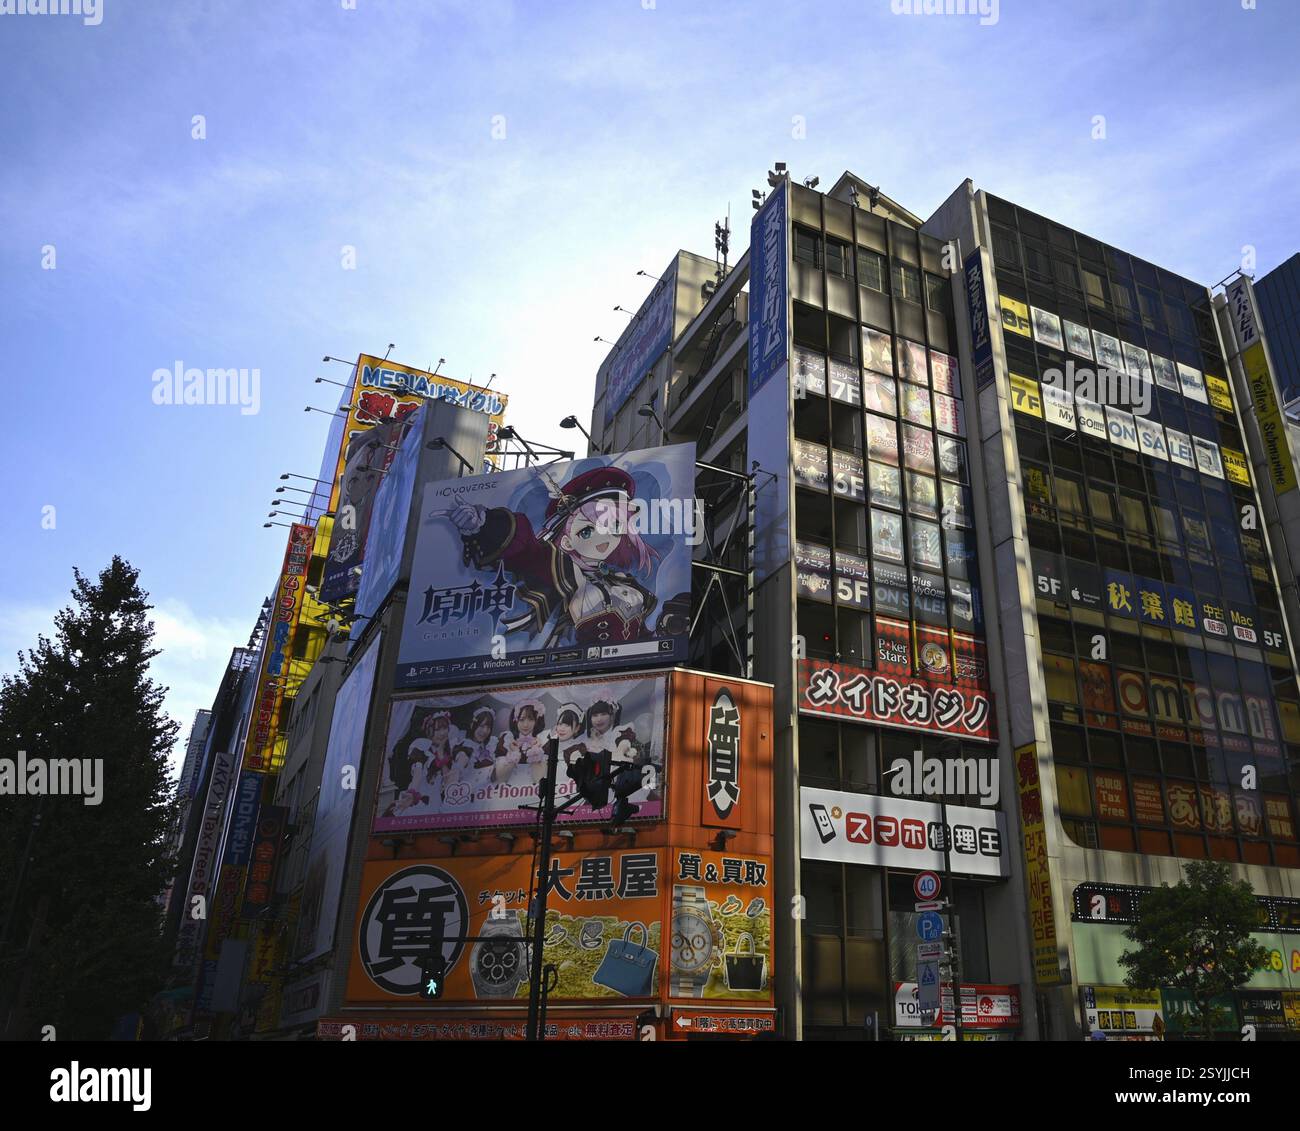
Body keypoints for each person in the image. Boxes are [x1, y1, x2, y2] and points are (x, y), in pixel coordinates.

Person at [448, 466, 690, 649]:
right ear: (565, 541)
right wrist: (483, 526)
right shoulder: (562, 569)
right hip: (572, 671)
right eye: (587, 530)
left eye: (614, 526)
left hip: (630, 679)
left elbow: (640, 638)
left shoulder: (622, 580)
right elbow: (526, 550)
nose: (603, 536)